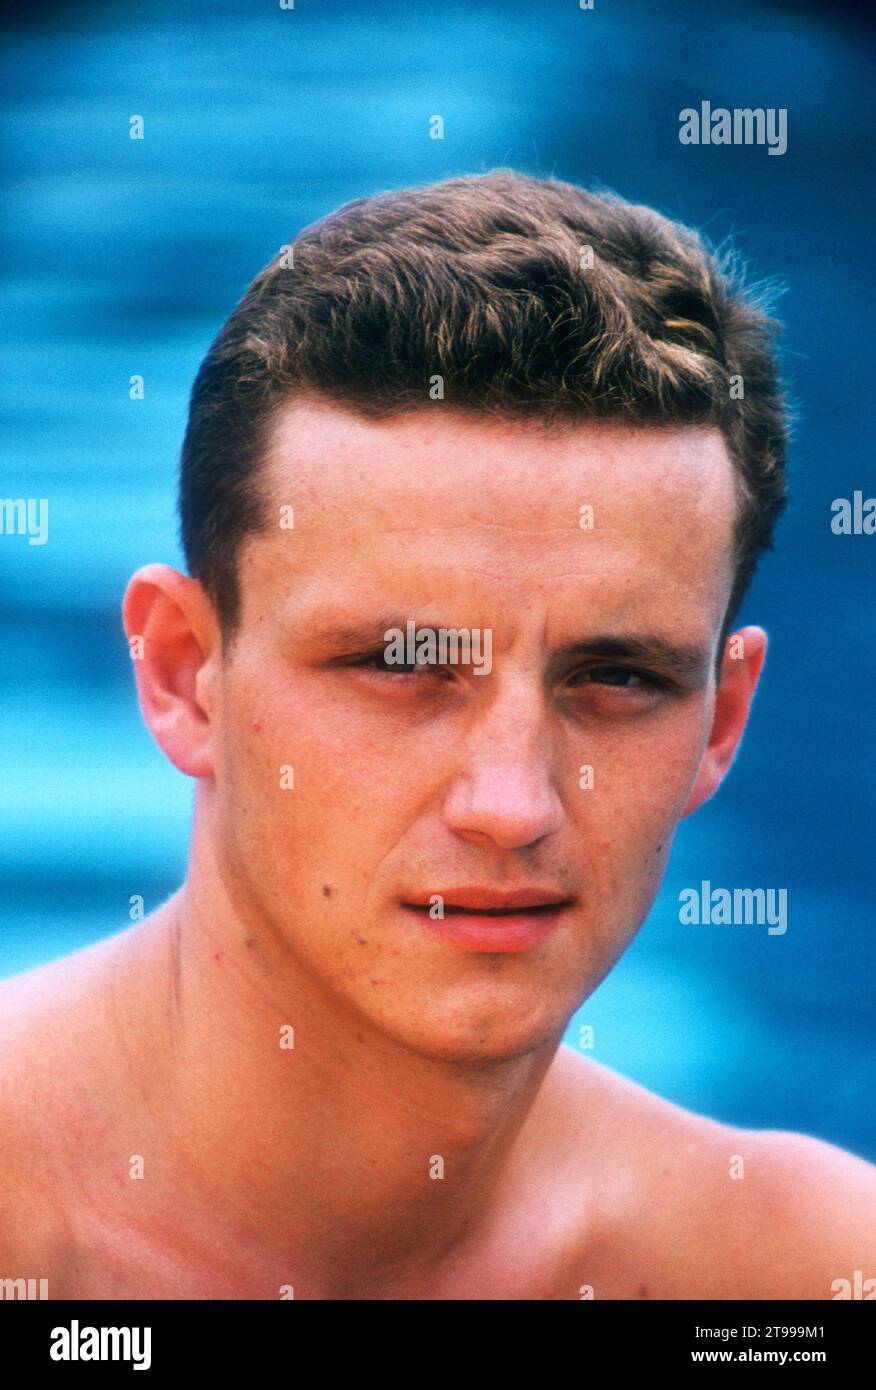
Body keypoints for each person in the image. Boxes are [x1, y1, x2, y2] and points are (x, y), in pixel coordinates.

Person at [2, 170, 874, 1301]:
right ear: (181, 675)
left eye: (616, 676)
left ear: (724, 718)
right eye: (399, 666)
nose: (513, 804)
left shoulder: (799, 1284)